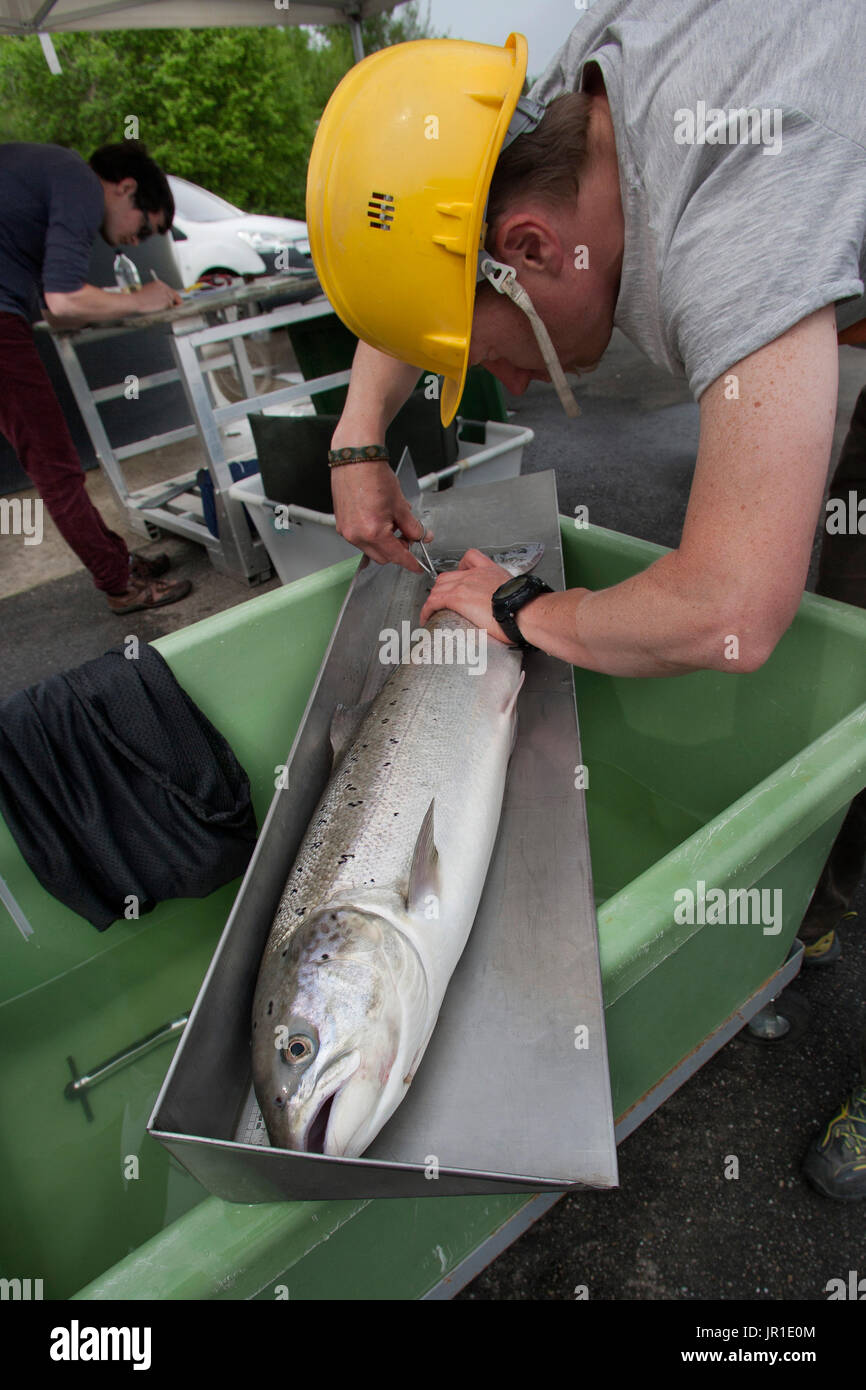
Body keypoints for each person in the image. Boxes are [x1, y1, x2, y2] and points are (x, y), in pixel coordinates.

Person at [305, 1, 866, 1198]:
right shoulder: (570, 91)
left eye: (490, 352)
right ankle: (811, 900)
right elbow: (430, 249)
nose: (504, 384)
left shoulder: (740, 194)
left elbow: (731, 607)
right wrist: (357, 440)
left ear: (529, 240)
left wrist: (516, 613)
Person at [0, 138, 191, 614]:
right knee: (56, 466)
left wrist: (117, 301)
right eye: (146, 226)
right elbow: (66, 301)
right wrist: (141, 299)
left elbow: (56, 307)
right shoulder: (78, 181)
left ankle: (117, 560)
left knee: (53, 462)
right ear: (126, 188)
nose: (138, 240)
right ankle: (119, 584)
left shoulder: (43, 171)